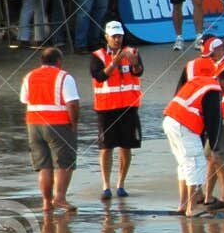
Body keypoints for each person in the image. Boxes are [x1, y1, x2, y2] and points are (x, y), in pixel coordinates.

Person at [164, 61, 224, 216]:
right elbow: (213, 120)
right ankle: (191, 207)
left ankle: (183, 204)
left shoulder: (201, 81)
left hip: (170, 120)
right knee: (196, 163)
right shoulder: (214, 89)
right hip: (184, 124)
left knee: (184, 164)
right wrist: (214, 148)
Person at [23, 46, 81, 213]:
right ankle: (60, 198)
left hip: (33, 123)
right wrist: (74, 123)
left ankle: (47, 203)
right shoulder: (64, 77)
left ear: (41, 61)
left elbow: (24, 99)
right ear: (58, 61)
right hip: (58, 123)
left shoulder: (29, 76)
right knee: (65, 163)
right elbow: (72, 104)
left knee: (44, 165)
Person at [89, 20, 143, 199]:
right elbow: (99, 76)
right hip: (106, 108)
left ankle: (121, 184)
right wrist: (115, 62)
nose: (118, 39)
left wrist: (135, 63)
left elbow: (138, 72)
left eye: (119, 36)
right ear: (107, 37)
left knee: (126, 147)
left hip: (128, 107)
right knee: (106, 148)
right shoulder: (97, 55)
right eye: (114, 37)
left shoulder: (132, 52)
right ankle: (106, 185)